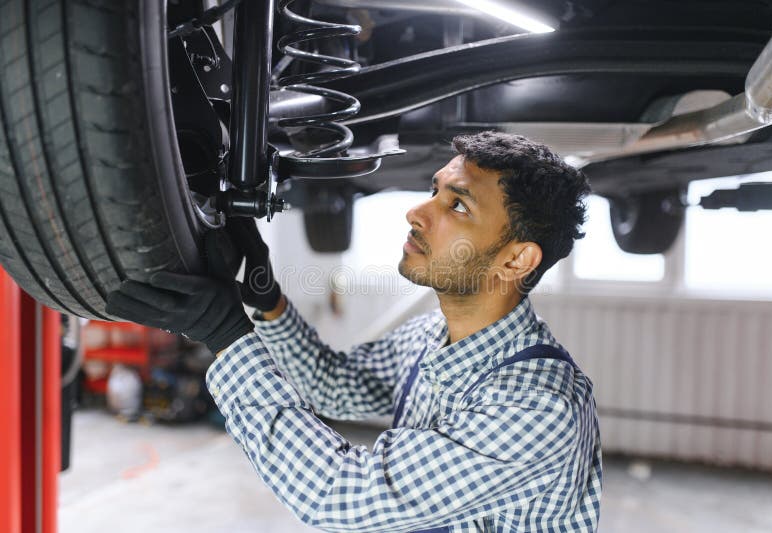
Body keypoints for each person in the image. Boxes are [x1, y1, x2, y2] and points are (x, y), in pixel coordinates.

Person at [106, 131, 602, 532]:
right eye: (434, 191)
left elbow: (340, 494)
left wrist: (225, 336)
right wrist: (265, 295)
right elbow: (333, 383)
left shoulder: (539, 408)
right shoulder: (433, 337)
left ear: (517, 259)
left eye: (458, 207)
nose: (417, 211)